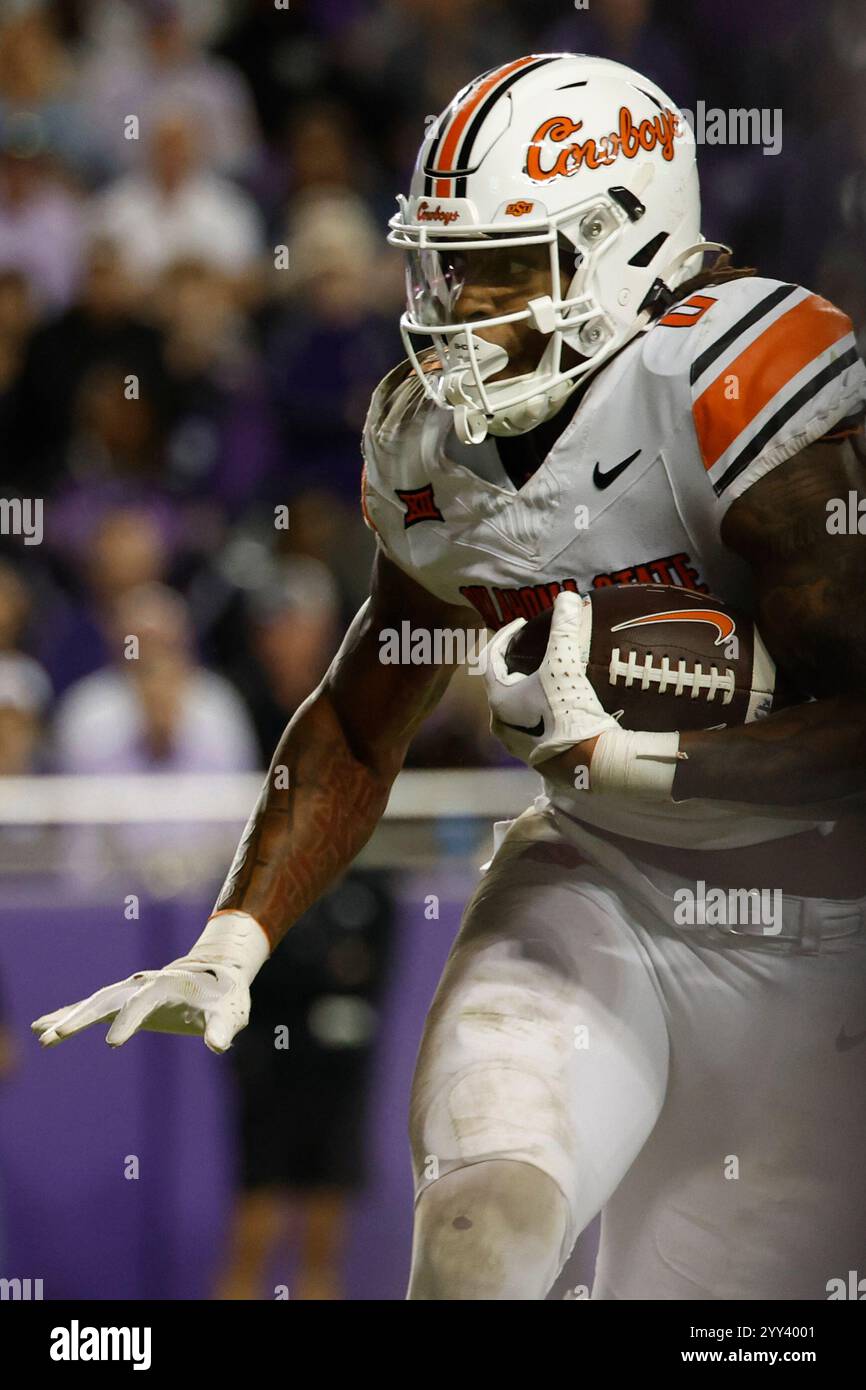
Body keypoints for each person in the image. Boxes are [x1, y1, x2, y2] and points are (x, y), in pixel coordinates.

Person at [32, 54, 866, 1301]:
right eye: (441, 263)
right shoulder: (433, 441)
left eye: (497, 265)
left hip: (819, 928)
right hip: (600, 880)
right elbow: (363, 723)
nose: (452, 308)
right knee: (480, 1237)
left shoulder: (734, 382)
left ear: (619, 244)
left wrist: (645, 752)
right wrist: (234, 934)